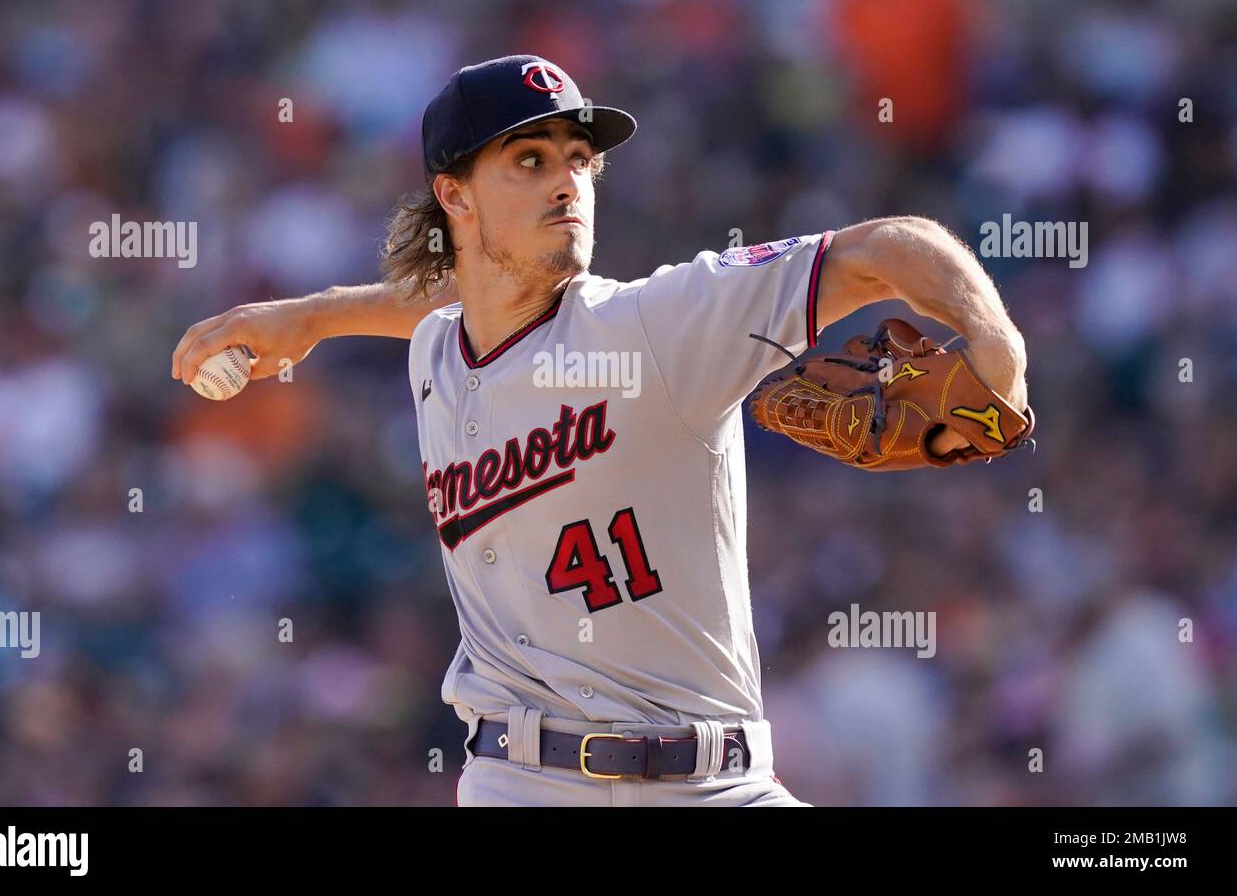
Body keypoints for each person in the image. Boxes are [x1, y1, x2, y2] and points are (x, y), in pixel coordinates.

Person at [171, 55, 1028, 806]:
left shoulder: (658, 325)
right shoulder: (437, 349)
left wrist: (996, 343)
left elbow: (888, 246)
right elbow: (457, 305)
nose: (566, 181)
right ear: (453, 194)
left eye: (580, 160)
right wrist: (311, 319)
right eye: (530, 159)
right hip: (519, 782)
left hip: (714, 783)